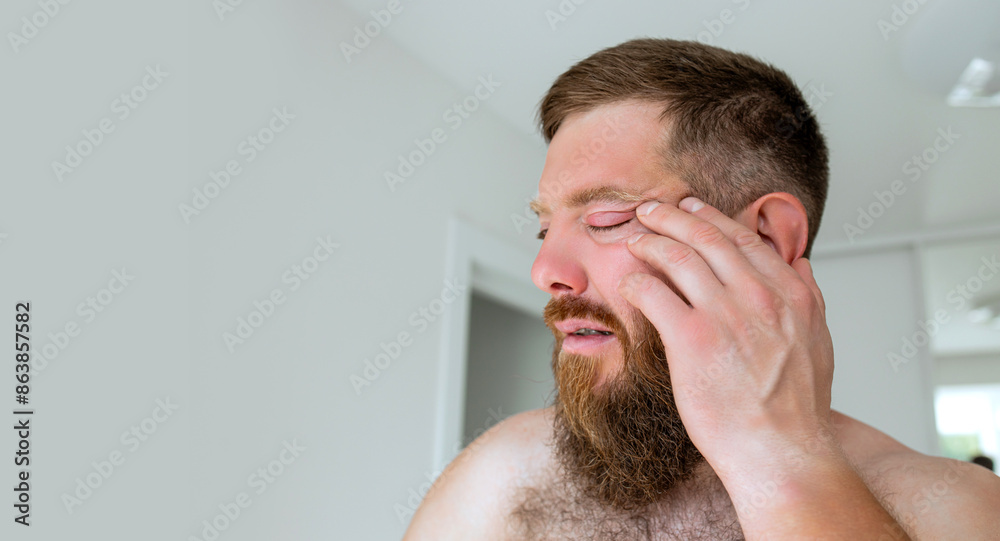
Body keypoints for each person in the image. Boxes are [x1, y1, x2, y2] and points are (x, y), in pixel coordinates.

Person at [403, 38, 1000, 540]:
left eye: (607, 219)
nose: (544, 269)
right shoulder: (505, 476)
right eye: (543, 229)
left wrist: (779, 453)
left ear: (765, 238)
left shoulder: (955, 508)